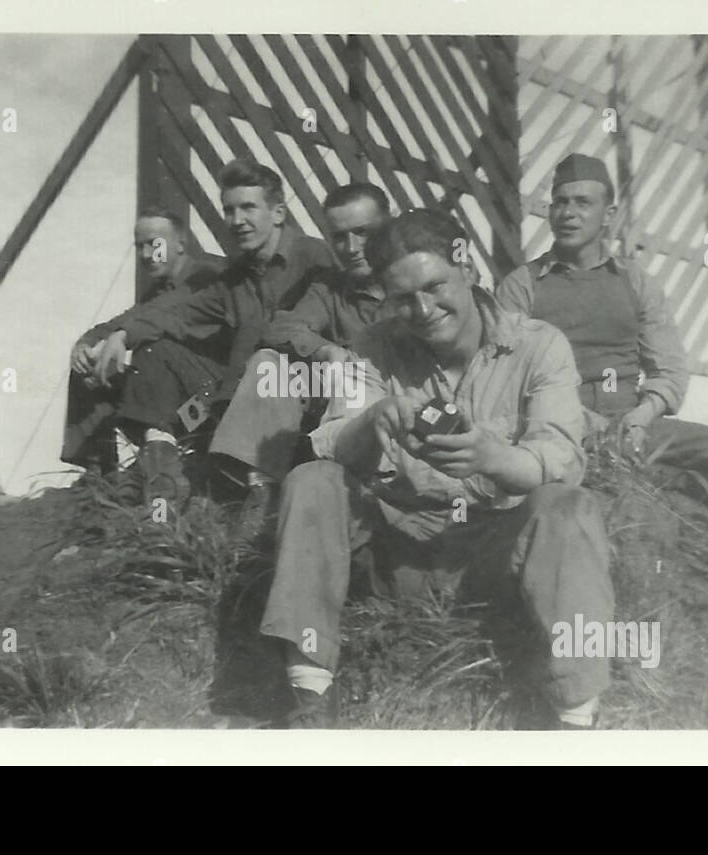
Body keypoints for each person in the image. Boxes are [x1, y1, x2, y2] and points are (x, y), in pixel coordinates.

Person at [259, 209, 613, 729]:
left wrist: (493, 458)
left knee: (568, 506)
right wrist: (373, 419)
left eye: (435, 286)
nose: (424, 309)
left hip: (494, 559)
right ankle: (310, 696)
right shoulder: (372, 351)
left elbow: (560, 459)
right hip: (396, 555)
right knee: (313, 479)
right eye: (403, 299)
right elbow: (333, 442)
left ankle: (575, 717)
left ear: (465, 263)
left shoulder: (539, 345)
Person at [496, 153, 708, 522]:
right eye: (559, 202)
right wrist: (580, 422)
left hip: (632, 423)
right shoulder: (521, 287)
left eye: (582, 203)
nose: (568, 213)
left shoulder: (635, 282)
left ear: (608, 214)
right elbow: (508, 378)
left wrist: (643, 414)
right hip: (556, 426)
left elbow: (669, 368)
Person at [89, 159, 334, 507]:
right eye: (229, 210)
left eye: (248, 208)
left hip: (302, 388)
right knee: (158, 353)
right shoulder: (234, 278)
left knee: (268, 363)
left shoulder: (311, 256)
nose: (237, 221)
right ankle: (162, 479)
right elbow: (178, 313)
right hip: (238, 394)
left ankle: (251, 486)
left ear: (278, 213)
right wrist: (122, 336)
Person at [209, 182, 391, 537]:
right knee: (269, 364)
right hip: (345, 403)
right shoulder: (330, 288)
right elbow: (282, 327)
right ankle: (260, 487)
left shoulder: (414, 281)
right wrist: (327, 350)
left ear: (389, 226)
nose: (352, 248)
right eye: (339, 237)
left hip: (402, 400)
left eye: (363, 233)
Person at [63, 208, 224, 475]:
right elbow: (123, 320)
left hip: (210, 401)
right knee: (87, 370)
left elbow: (162, 315)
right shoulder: (158, 291)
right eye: (140, 246)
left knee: (152, 348)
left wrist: (123, 336)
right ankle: (99, 475)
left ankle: (161, 470)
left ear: (181, 243)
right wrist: (85, 343)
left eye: (154, 244)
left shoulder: (208, 276)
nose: (146, 255)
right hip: (170, 395)